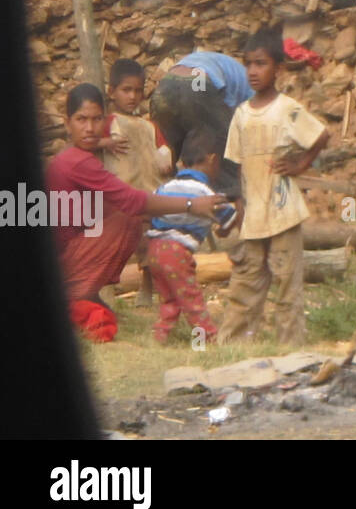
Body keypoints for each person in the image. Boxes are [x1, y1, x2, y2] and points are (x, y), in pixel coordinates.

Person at [48, 84, 226, 342]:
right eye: (81, 120)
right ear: (67, 123)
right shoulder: (77, 161)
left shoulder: (73, 157)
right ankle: (78, 292)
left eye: (97, 119)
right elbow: (132, 200)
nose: (89, 128)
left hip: (65, 253)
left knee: (125, 212)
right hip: (64, 262)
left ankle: (85, 294)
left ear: (105, 120)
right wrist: (190, 205)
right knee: (128, 217)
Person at [218, 27, 329, 345]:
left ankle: (289, 350)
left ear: (278, 69)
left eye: (261, 63)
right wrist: (238, 203)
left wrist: (300, 164)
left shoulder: (287, 109)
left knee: (285, 287)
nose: (253, 71)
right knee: (245, 283)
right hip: (252, 215)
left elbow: (320, 135)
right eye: (248, 64)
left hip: (282, 213)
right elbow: (235, 164)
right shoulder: (240, 114)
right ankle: (232, 347)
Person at [144, 128, 233, 344]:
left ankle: (159, 337)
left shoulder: (164, 187)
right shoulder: (206, 193)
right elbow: (229, 220)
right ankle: (203, 341)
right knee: (192, 301)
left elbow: (149, 212)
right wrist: (226, 225)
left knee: (169, 298)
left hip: (154, 250)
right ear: (213, 160)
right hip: (176, 253)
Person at [98, 57, 173, 307]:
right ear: (112, 92)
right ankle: (103, 291)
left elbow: (162, 147)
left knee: (149, 242)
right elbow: (86, 143)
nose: (132, 96)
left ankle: (148, 287)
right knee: (113, 248)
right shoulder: (109, 123)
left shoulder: (149, 125)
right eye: (126, 90)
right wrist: (106, 143)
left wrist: (166, 156)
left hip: (149, 195)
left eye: (138, 90)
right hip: (121, 197)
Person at [150, 50, 252, 201]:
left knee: (183, 153)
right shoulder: (254, 88)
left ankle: (176, 198)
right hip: (197, 82)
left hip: (165, 86)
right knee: (223, 148)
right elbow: (247, 126)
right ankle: (226, 199)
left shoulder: (229, 69)